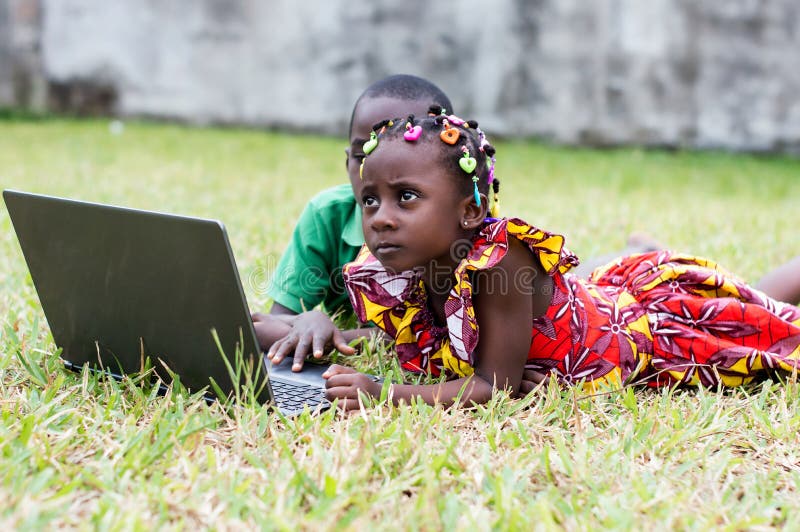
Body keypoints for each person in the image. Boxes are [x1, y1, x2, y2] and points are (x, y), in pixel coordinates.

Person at [307, 112, 800, 410]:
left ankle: (653, 255)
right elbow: (428, 335)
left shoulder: (501, 261)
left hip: (635, 336)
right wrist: (318, 329)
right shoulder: (407, 260)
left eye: (406, 197)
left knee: (758, 317)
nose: (381, 218)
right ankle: (642, 252)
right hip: (593, 299)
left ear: (470, 210)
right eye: (370, 200)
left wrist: (385, 394)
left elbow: (493, 386)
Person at [252, 74, 455, 369]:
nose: (379, 172)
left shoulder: (462, 228)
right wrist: (306, 320)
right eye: (363, 155)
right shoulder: (329, 214)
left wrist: (335, 335)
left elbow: (443, 335)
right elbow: (271, 322)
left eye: (405, 159)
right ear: (347, 160)